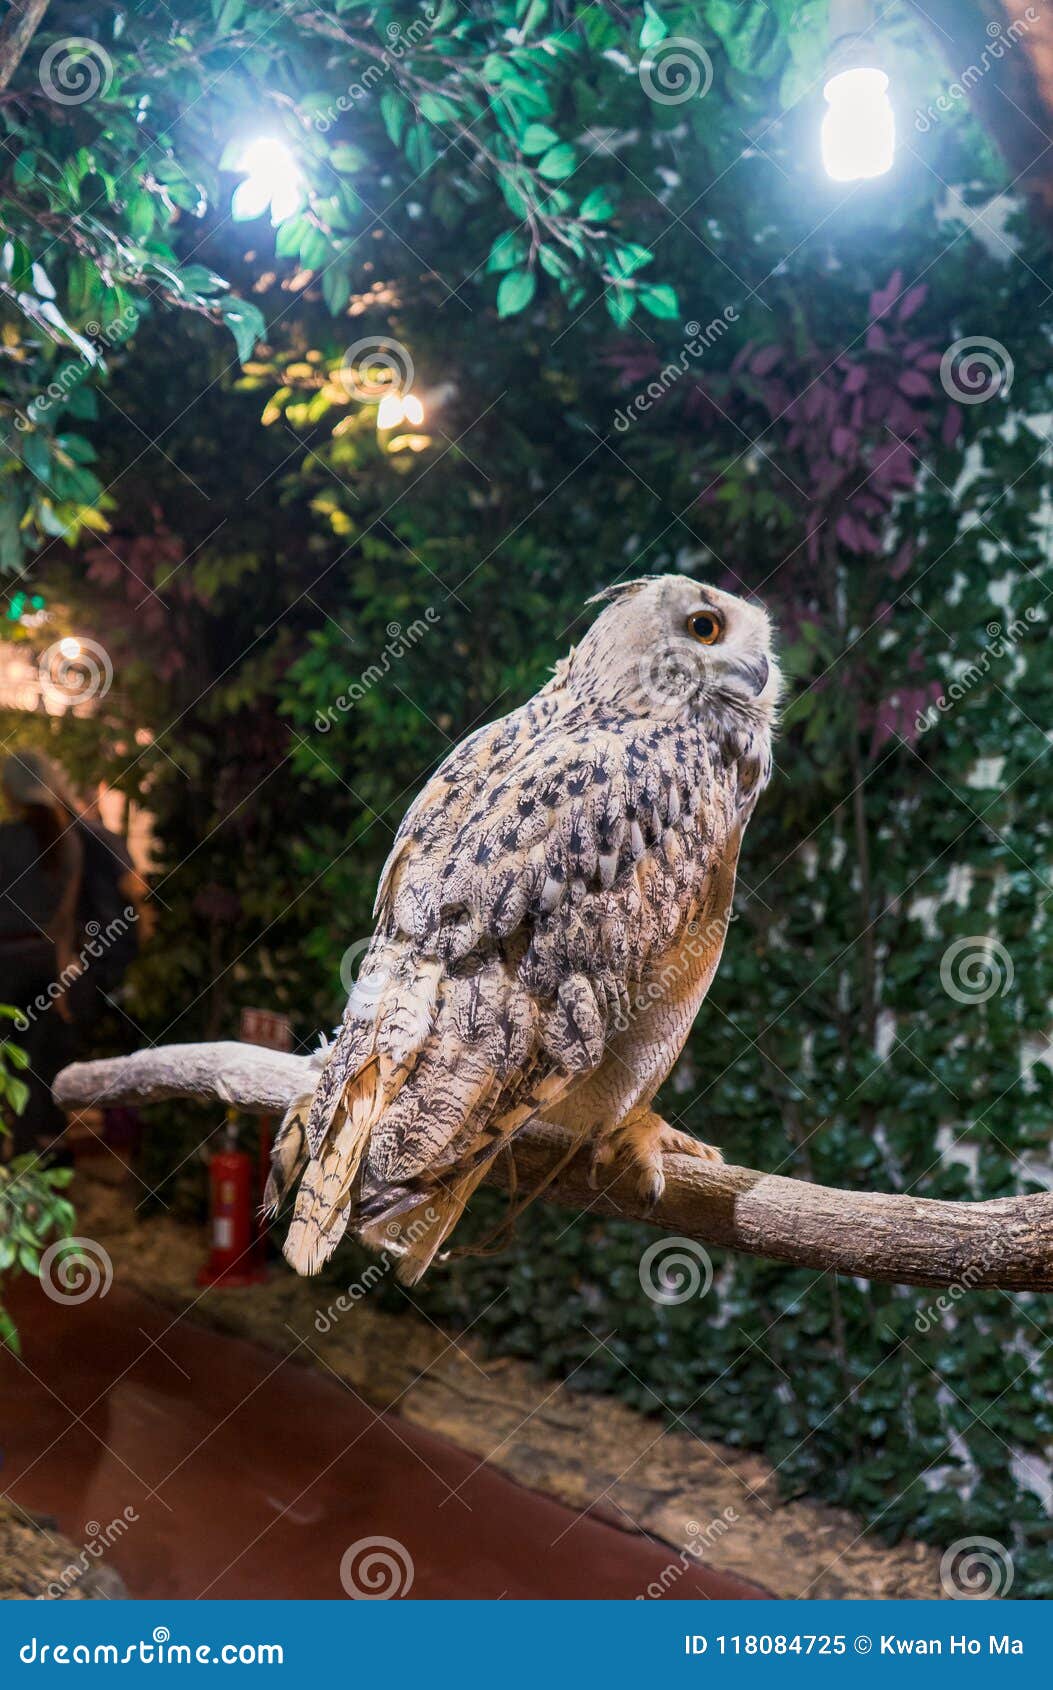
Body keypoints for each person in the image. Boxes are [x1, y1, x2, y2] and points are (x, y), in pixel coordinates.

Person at [0, 750, 82, 1156]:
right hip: (43, 966)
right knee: (31, 1064)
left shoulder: (6, 838)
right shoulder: (67, 843)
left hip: (4, 965)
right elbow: (65, 922)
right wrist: (62, 983)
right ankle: (26, 1154)